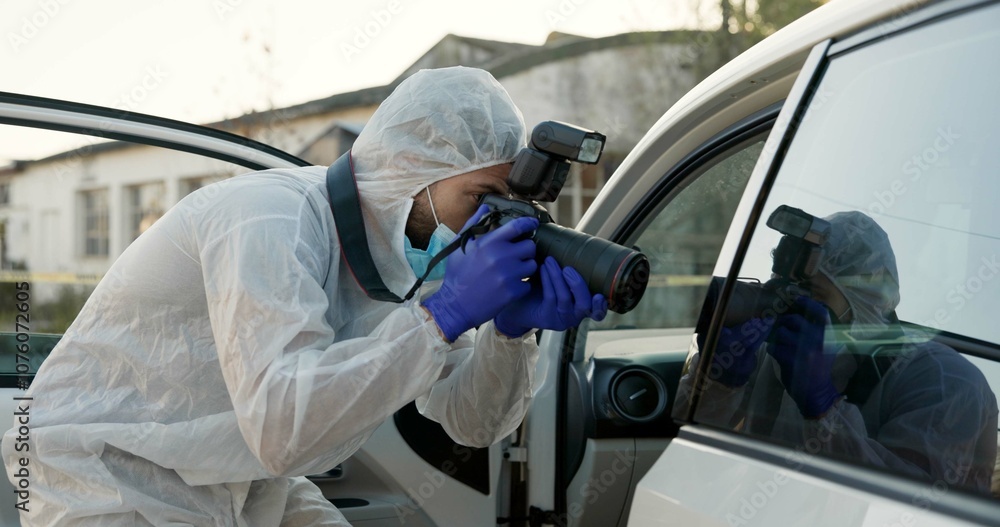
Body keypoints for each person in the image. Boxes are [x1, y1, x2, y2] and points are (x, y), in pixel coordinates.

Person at [2, 66, 608, 525]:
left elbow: (470, 423)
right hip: (107, 473)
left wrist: (508, 335)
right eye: (482, 200)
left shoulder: (406, 259)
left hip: (238, 478)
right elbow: (283, 427)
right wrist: (441, 319)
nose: (489, 227)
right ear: (410, 170)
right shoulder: (269, 218)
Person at [677, 210, 998, 494]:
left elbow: (912, 505)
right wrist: (718, 380)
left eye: (810, 291)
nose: (786, 305)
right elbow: (681, 453)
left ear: (867, 294)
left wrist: (823, 406)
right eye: (781, 286)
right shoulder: (773, 355)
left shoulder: (943, 380)